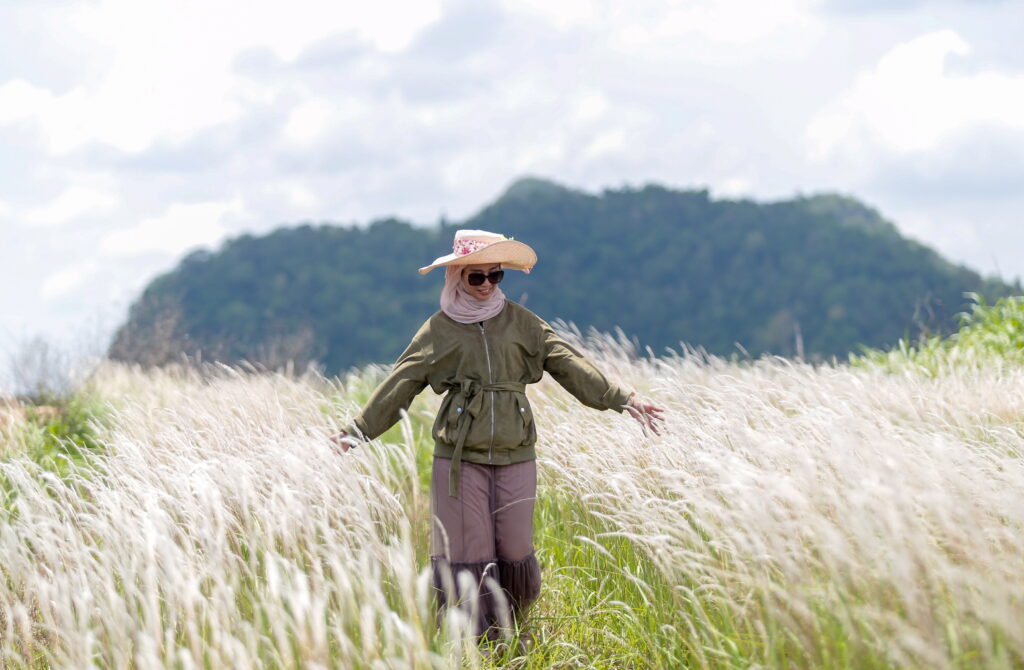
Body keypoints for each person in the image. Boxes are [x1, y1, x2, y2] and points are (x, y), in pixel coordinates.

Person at [329, 229, 664, 642]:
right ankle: (474, 646)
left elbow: (570, 363)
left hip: (517, 452)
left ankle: (515, 634)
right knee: (469, 553)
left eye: (496, 276)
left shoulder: (523, 324)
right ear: (457, 277)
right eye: (477, 277)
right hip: (459, 457)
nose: (487, 285)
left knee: (516, 547)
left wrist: (622, 399)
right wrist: (356, 433)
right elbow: (400, 383)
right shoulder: (438, 330)